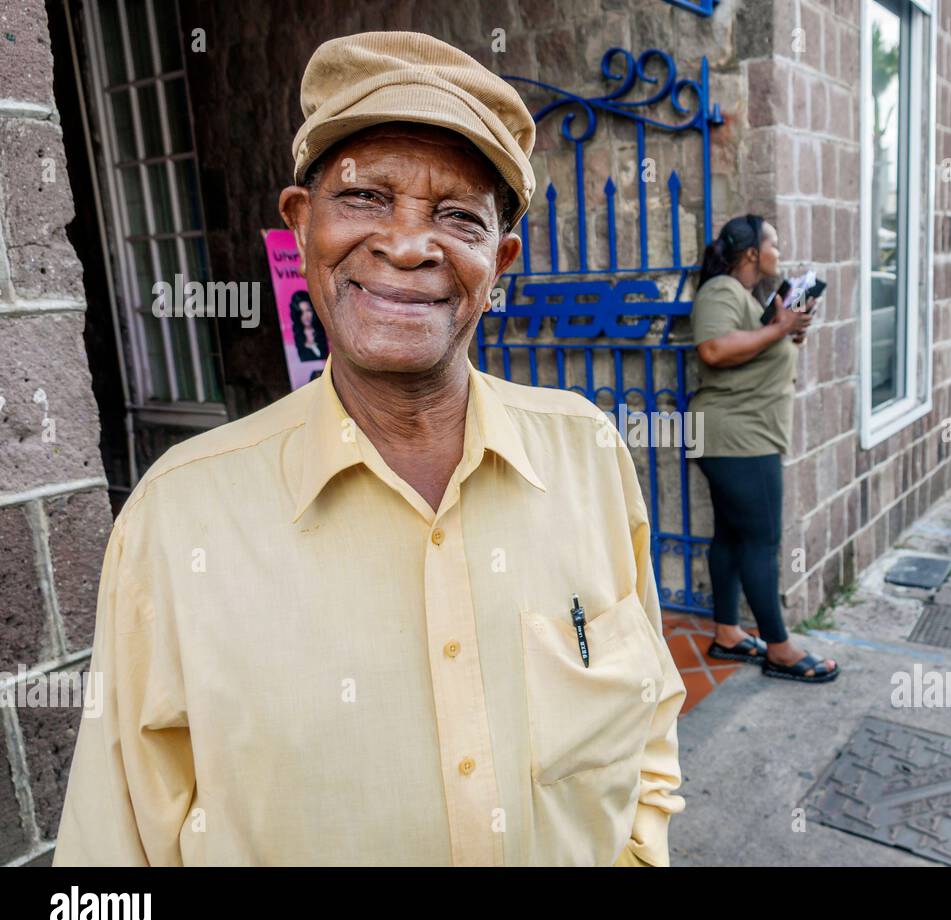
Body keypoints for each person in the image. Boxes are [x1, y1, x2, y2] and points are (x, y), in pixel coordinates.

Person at [53, 31, 685, 867]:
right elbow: (115, 848)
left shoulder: (587, 452)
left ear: (498, 265)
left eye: (456, 215)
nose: (408, 243)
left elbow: (650, 727)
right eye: (365, 199)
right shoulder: (179, 517)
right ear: (301, 225)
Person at [687, 214, 839, 684]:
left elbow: (749, 349)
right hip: (739, 436)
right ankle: (780, 649)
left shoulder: (747, 299)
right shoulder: (719, 291)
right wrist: (777, 331)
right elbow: (712, 350)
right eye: (773, 241)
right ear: (752, 251)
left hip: (741, 434)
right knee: (762, 541)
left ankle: (728, 633)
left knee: (733, 537)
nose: (779, 249)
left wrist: (787, 328)